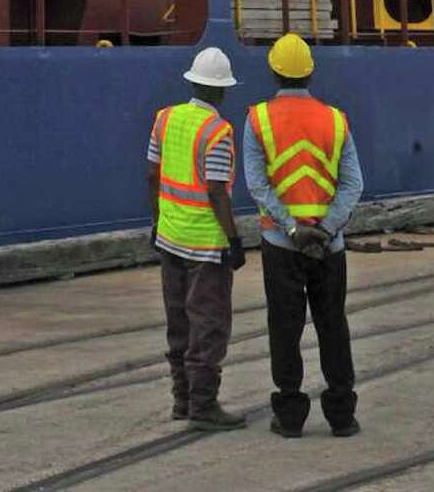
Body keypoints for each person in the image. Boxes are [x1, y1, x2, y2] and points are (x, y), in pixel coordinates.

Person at [242, 31, 364, 439]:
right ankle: (342, 416)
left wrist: (293, 228)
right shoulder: (336, 119)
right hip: (330, 247)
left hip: (283, 245)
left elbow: (258, 184)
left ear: (274, 71)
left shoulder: (257, 118)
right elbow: (352, 185)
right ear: (311, 73)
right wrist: (327, 228)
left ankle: (290, 417)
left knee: (285, 327)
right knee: (333, 326)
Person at [147, 46, 247, 433]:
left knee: (178, 321)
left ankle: (181, 400)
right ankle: (203, 405)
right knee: (209, 324)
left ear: (192, 82)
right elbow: (217, 191)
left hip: (169, 237)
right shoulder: (218, 131)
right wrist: (234, 238)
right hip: (206, 246)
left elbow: (151, 175)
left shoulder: (164, 119)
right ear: (221, 91)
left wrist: (157, 222)